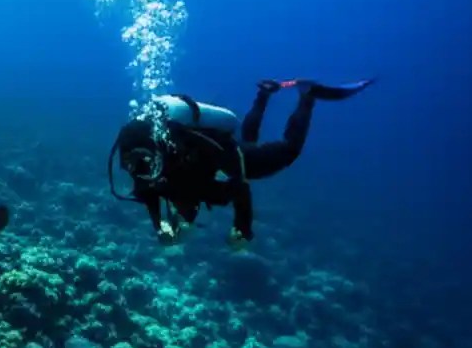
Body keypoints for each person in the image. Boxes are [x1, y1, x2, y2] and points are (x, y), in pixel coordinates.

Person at [107, 78, 374, 251]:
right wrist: (159, 225)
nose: (140, 171)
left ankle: (308, 95)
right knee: (247, 140)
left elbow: (240, 185)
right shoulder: (141, 164)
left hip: (231, 158)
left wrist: (243, 229)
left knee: (287, 151)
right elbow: (149, 193)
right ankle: (264, 94)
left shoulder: (179, 153)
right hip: (219, 157)